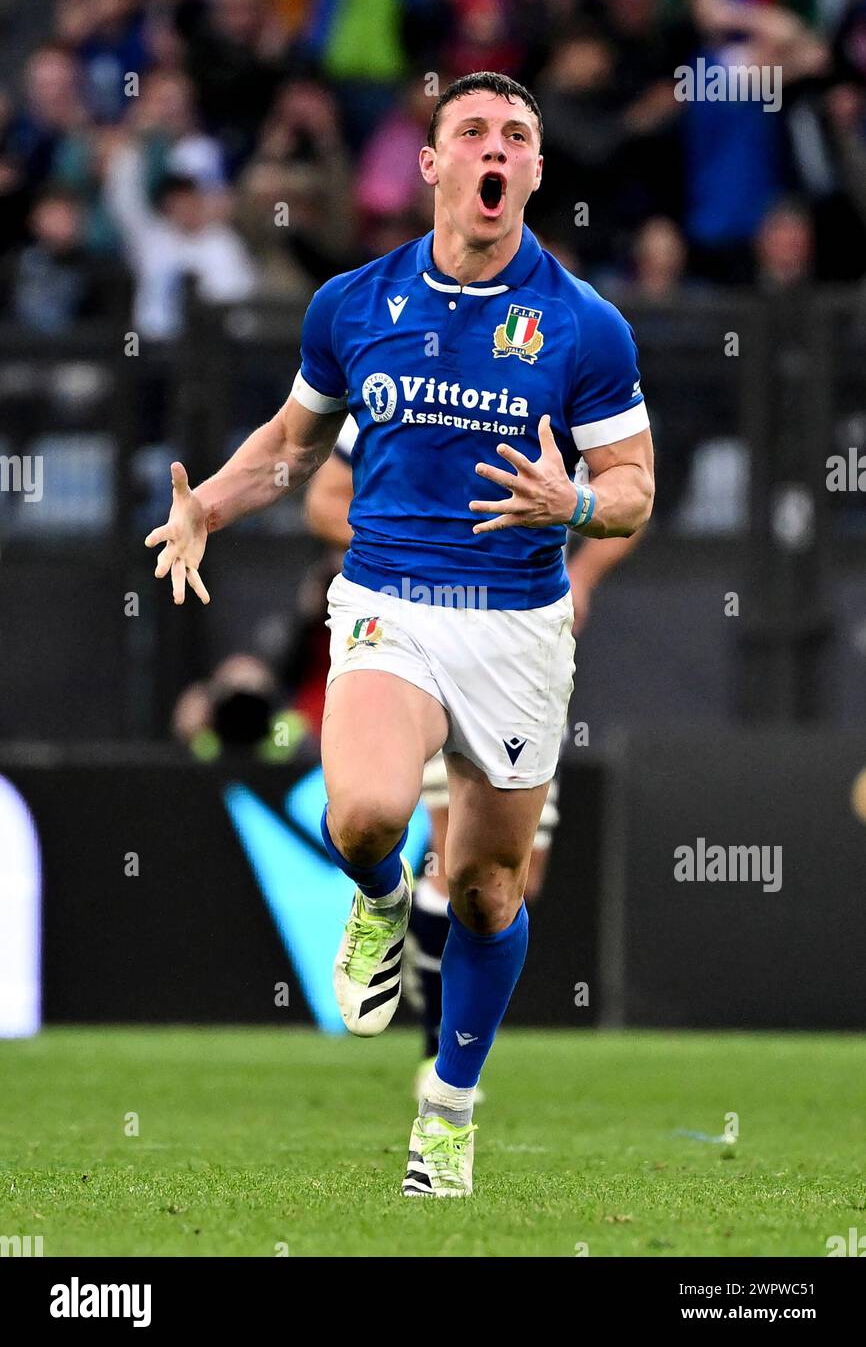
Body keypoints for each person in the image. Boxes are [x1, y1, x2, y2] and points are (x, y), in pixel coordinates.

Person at [145, 71, 654, 1197]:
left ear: (528, 173)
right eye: (470, 129)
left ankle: (448, 1111)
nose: (494, 147)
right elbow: (290, 445)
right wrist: (205, 509)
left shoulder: (584, 326)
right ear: (429, 164)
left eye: (515, 136)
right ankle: (376, 905)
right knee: (367, 812)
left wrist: (567, 503)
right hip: (390, 600)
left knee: (485, 891)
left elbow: (632, 488)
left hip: (519, 625)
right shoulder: (350, 305)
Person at [304, 413, 643, 1098]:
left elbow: (631, 496)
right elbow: (323, 497)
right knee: (413, 828)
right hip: (411, 635)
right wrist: (415, 546)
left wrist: (581, 566)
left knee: (502, 882)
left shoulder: (570, 366)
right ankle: (437, 1055)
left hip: (516, 642)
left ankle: (447, 1066)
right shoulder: (398, 371)